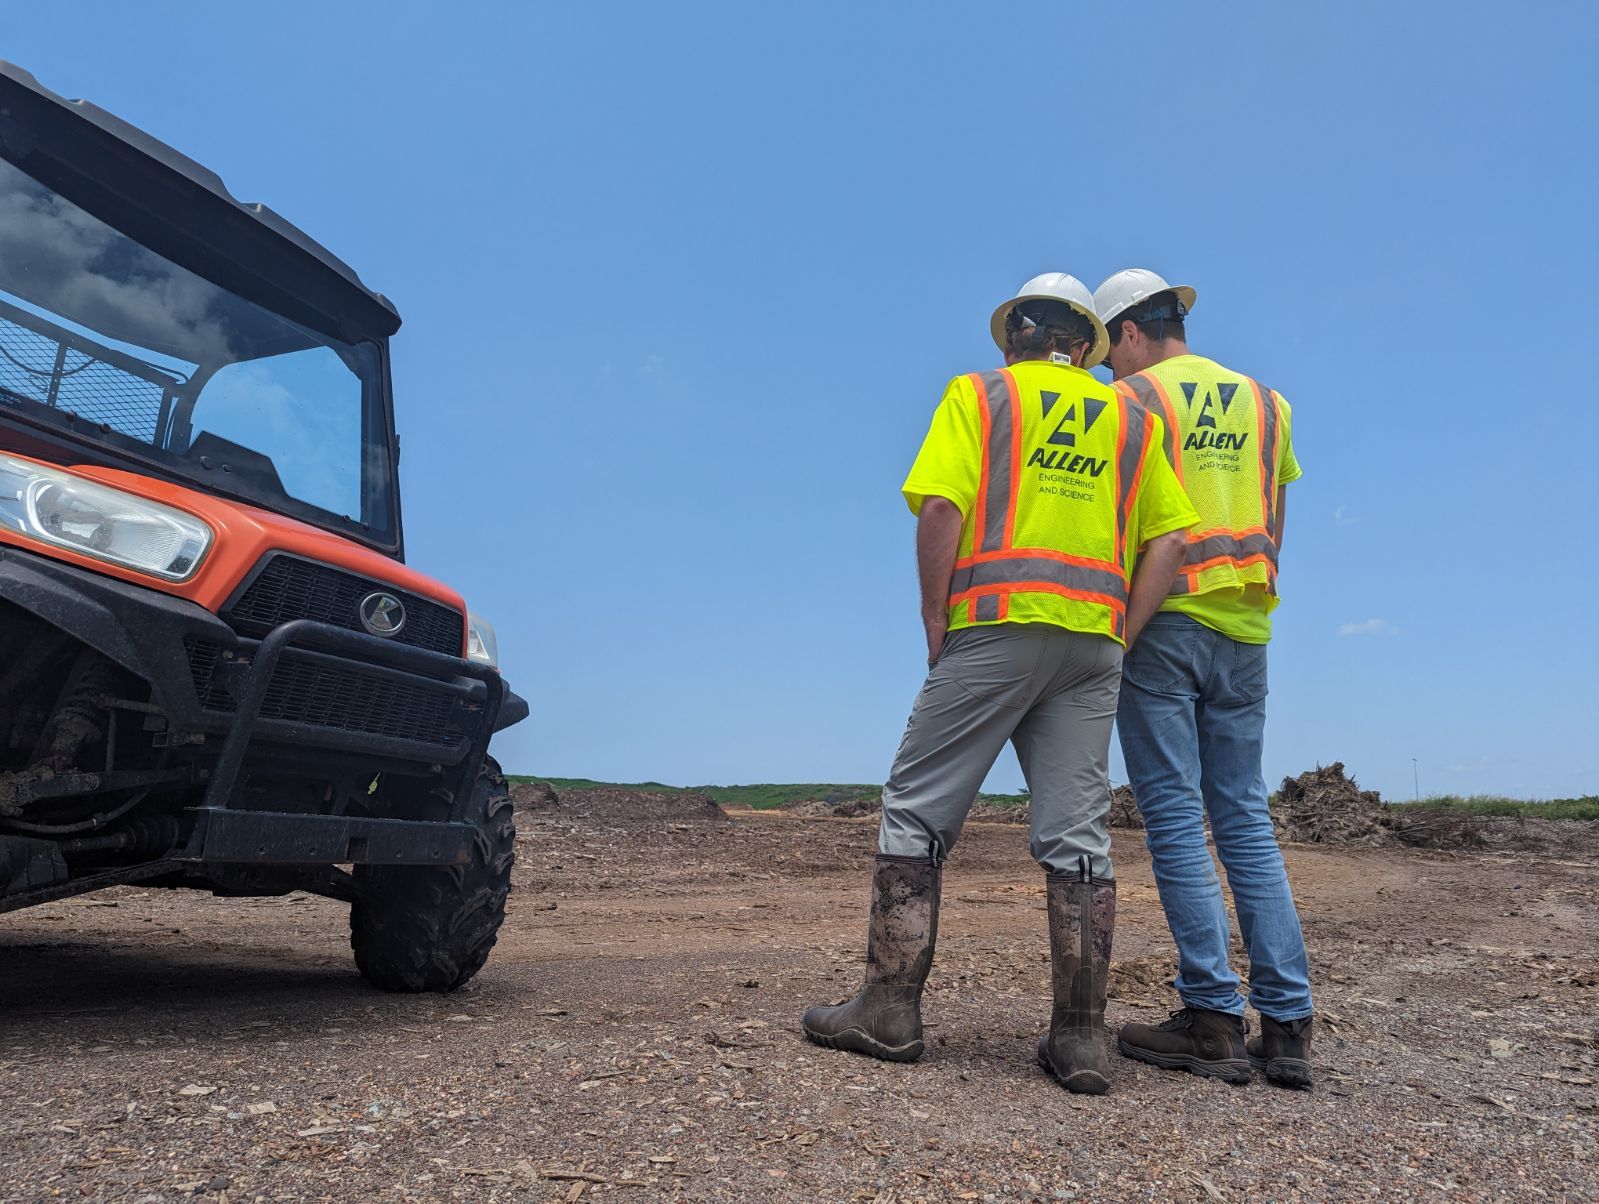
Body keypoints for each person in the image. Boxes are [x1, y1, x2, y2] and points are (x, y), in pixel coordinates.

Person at [801, 273, 1198, 1095]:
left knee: (917, 805)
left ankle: (888, 1009)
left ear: (1013, 333)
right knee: (1076, 835)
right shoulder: (1132, 415)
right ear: (1086, 344)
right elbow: (1169, 544)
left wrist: (934, 616)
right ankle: (1081, 1039)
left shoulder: (978, 396)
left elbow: (941, 509)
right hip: (1091, 645)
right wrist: (1119, 631)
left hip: (994, 626)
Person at [1093, 267, 1314, 1089]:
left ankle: (1212, 1017)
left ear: (1126, 332)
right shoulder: (1266, 400)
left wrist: (1118, 628)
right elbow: (1274, 522)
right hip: (1246, 628)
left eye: (1108, 350)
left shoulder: (1134, 401)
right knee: (1245, 819)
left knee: (1176, 819)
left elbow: (1125, 518)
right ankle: (1287, 1027)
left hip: (1162, 624)